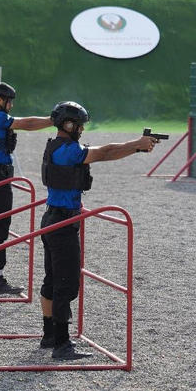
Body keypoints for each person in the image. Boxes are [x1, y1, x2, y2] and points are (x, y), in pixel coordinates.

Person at [38, 101, 158, 359]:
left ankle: (49, 335)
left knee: (52, 280)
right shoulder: (67, 150)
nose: (81, 129)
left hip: (53, 219)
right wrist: (135, 144)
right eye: (78, 125)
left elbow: (107, 153)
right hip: (62, 224)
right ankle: (61, 343)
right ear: (68, 125)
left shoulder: (57, 147)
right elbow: (104, 153)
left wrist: (135, 148)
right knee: (65, 284)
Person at [0, 82, 53, 294]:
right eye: (9, 100)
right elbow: (27, 124)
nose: (11, 105)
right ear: (0, 100)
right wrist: (52, 121)